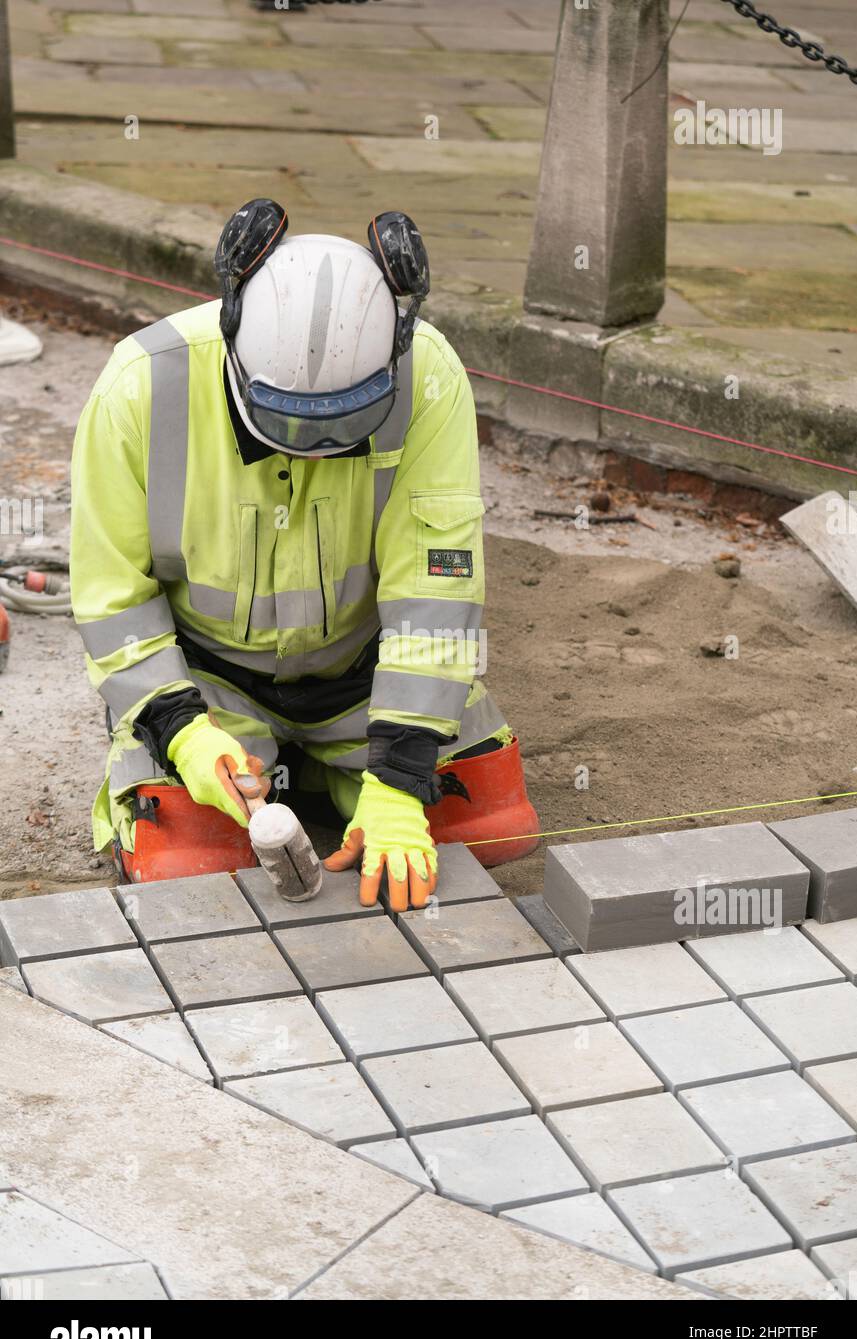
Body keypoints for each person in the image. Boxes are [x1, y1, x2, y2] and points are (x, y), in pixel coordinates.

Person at [70, 201, 538, 909]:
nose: (312, 447)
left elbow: (435, 590)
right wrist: (183, 732)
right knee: (186, 863)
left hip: (364, 675)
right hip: (210, 682)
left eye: (340, 426)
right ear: (231, 341)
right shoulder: (141, 385)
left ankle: (333, 771)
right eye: (286, 422)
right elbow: (112, 599)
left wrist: (400, 778)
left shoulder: (429, 375)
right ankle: (280, 763)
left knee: (490, 827)